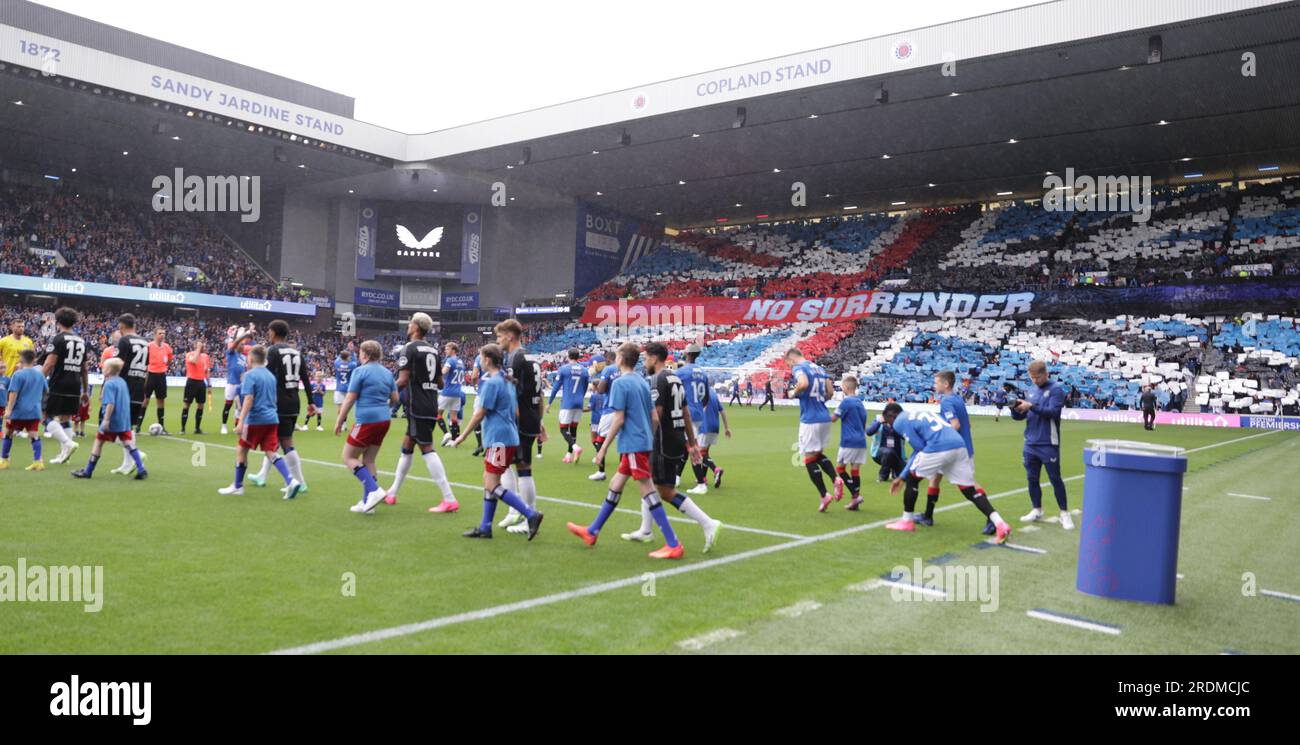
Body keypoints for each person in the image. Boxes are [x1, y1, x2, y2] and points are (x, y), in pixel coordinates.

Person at [566, 342, 684, 559]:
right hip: (642, 442)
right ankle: (592, 531)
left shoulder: (620, 384)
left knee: (647, 490)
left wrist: (602, 449)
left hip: (632, 444)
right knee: (616, 484)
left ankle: (673, 543)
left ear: (620, 359)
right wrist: (647, 437)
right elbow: (655, 418)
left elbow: (618, 420)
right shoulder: (642, 381)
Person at [618, 342, 721, 552]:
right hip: (676, 437)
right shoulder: (675, 378)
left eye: (646, 358)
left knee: (665, 491)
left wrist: (645, 438)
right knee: (648, 482)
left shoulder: (657, 379)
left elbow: (656, 414)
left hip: (662, 440)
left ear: (655, 358)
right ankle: (646, 529)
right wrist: (692, 444)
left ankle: (708, 523)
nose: (644, 361)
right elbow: (686, 413)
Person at [449, 343, 544, 540]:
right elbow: (516, 411)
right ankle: (486, 527)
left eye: (481, 357)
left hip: (498, 439)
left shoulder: (492, 383)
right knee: (490, 481)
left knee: (491, 483)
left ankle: (530, 514)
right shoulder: (507, 380)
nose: (480, 361)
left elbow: (479, 414)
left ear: (488, 359)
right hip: (508, 436)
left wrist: (462, 436)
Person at [881, 404, 1012, 543]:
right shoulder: (917, 412)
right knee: (969, 490)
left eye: (888, 422)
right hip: (958, 445)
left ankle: (907, 521)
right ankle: (1000, 523)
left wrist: (902, 476)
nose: (890, 425)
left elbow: (919, 448)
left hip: (939, 446)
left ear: (892, 416)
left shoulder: (900, 421)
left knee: (912, 478)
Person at [383, 313, 458, 513]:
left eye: (410, 322)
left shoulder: (409, 348)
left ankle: (449, 498)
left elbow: (402, 380)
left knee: (427, 448)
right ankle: (392, 493)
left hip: (417, 405)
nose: (408, 325)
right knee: (407, 446)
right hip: (430, 403)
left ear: (415, 326)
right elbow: (440, 382)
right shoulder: (433, 350)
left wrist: (384, 395)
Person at [216, 345, 304, 499]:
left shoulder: (250, 375)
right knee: (271, 452)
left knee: (242, 450)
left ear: (250, 359)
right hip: (272, 419)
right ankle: (291, 481)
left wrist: (240, 421)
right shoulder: (271, 376)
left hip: (256, 419)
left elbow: (249, 399)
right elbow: (275, 398)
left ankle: (237, 486)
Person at [247, 320, 314, 495]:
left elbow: (265, 375)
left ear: (274, 332)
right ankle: (262, 475)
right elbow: (306, 379)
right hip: (294, 401)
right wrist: (311, 402)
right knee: (273, 441)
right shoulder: (296, 352)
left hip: (279, 402)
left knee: (285, 442)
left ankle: (300, 481)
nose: (268, 334)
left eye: (269, 331)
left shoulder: (273, 351)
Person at [494, 319, 548, 535]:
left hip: (520, 418)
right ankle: (515, 511)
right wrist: (540, 419)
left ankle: (528, 516)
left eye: (499, 336)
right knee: (510, 465)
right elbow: (539, 393)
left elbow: (512, 395)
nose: (497, 341)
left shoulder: (515, 358)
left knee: (522, 468)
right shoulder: (531, 355)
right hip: (531, 416)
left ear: (509, 336)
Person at [923, 370, 994, 533]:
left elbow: (955, 425)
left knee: (968, 485)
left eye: (937, 382)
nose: (934, 385)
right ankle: (928, 516)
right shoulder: (957, 399)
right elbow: (966, 423)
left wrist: (939, 438)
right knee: (934, 478)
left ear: (945, 384)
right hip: (957, 447)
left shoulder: (947, 402)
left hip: (955, 450)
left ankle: (992, 518)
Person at [334, 340, 398, 514]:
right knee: (369, 459)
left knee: (348, 457)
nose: (358, 355)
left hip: (366, 420)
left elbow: (350, 398)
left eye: (360, 352)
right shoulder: (387, 373)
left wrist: (340, 420)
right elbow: (395, 399)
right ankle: (367, 503)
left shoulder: (360, 371)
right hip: (384, 420)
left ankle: (374, 490)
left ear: (366, 354)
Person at [1012, 360, 1073, 530]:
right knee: (1032, 478)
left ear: (1046, 374)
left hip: (1048, 442)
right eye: (1032, 378)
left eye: (1037, 378)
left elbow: (1053, 413)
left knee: (1055, 479)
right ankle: (1037, 509)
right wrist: (1015, 410)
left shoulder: (1056, 390)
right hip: (1030, 443)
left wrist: (1031, 406)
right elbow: (1022, 417)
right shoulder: (1031, 391)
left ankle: (1064, 514)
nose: (1035, 381)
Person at [70, 358, 147, 480]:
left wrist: (106, 420)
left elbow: (110, 403)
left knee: (99, 441)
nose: (102, 368)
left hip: (112, 420)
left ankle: (88, 471)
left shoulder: (109, 384)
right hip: (123, 420)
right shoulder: (122, 382)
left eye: (104, 367)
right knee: (127, 443)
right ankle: (141, 469)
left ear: (110, 370)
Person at [785, 348, 838, 512]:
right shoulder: (819, 368)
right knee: (817, 454)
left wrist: (793, 393)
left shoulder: (799, 368)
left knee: (808, 459)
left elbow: (804, 383)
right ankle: (836, 479)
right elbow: (830, 392)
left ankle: (824, 495)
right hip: (824, 417)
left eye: (789, 364)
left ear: (792, 360)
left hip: (810, 419)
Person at [41, 307, 88, 465]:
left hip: (59, 382)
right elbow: (84, 368)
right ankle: (64, 455)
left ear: (58, 321)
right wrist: (86, 390)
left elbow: (49, 363)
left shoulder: (58, 338)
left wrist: (37, 381)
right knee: (65, 417)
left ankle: (68, 444)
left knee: (44, 416)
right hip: (75, 384)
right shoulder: (81, 340)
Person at [108, 314, 150, 474]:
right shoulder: (146, 343)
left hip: (124, 388)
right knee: (128, 427)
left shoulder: (124, 341)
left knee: (113, 428)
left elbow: (116, 364)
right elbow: (146, 369)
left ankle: (136, 454)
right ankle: (128, 463)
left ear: (123, 326)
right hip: (139, 387)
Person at [1, 349, 48, 471]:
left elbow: (13, 393)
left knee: (8, 433)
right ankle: (38, 461)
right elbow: (46, 391)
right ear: (34, 360)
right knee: (34, 435)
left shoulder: (18, 374)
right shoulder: (40, 374)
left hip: (19, 411)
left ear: (21, 360)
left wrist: (9, 410)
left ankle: (4, 460)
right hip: (34, 411)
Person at [676, 343, 711, 494]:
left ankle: (701, 483)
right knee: (686, 445)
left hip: (686, 413)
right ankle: (676, 476)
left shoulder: (681, 372)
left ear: (688, 354)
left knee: (690, 446)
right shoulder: (703, 373)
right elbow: (706, 398)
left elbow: (675, 393)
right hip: (698, 413)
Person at [830, 375, 867, 511]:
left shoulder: (846, 402)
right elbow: (863, 424)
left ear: (846, 387)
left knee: (840, 469)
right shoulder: (860, 403)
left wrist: (820, 417)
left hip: (849, 441)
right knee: (855, 470)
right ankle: (854, 502)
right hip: (861, 442)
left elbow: (833, 418)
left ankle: (855, 495)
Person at [548, 348, 588, 464]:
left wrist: (549, 403)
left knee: (563, 429)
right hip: (579, 403)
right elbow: (585, 388)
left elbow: (555, 387)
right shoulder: (584, 370)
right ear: (578, 357)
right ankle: (569, 455)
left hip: (567, 403)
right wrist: (580, 397)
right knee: (573, 429)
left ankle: (575, 448)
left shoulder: (564, 369)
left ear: (568, 356)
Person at [588, 348, 620, 481]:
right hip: (624, 410)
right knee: (622, 440)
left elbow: (600, 390)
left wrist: (599, 379)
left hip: (609, 409)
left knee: (600, 438)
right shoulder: (624, 369)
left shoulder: (608, 369)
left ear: (607, 360)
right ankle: (622, 472)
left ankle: (601, 471)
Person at [695, 384, 730, 490]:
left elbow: (701, 410)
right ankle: (704, 478)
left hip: (705, 427)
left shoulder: (700, 394)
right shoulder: (714, 394)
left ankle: (716, 469)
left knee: (700, 453)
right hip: (715, 426)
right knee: (705, 452)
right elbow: (722, 411)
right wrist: (726, 428)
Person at [221, 326, 254, 435]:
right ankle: (224, 425)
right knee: (228, 404)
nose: (242, 345)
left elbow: (245, 371)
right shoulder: (231, 353)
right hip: (231, 383)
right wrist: (242, 335)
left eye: (243, 344)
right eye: (241, 344)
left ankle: (237, 426)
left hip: (241, 384)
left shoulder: (244, 357)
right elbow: (235, 343)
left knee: (239, 407)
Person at [142, 328, 173, 434]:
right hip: (150, 374)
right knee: (145, 399)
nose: (162, 335)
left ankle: (162, 427)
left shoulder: (167, 347)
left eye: (164, 333)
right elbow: (144, 360)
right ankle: (137, 426)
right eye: (160, 333)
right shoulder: (149, 346)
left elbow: (169, 360)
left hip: (161, 376)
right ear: (155, 334)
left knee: (161, 400)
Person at [180, 339, 211, 434]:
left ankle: (197, 428)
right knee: (187, 404)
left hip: (201, 382)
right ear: (195, 346)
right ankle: (183, 428)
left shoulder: (205, 356)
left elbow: (207, 371)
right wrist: (198, 349)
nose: (201, 347)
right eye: (199, 345)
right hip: (191, 382)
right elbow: (194, 361)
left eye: (201, 345)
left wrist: (209, 384)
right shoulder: (189, 354)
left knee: (201, 405)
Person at [866, 410, 906, 482]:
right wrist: (879, 422)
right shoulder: (878, 419)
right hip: (880, 453)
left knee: (906, 477)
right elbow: (869, 432)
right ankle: (883, 476)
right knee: (888, 452)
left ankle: (894, 471)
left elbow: (905, 437)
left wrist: (897, 426)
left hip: (897, 456)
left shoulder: (900, 423)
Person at [437, 342, 465, 447]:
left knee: (438, 414)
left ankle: (446, 433)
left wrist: (436, 371)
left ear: (453, 350)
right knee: (454, 417)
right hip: (457, 392)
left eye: (447, 349)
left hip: (447, 392)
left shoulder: (450, 360)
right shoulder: (461, 362)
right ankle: (454, 441)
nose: (445, 351)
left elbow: (443, 372)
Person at [0, 317, 35, 383]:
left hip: (23, 377)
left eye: (22, 326)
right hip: (6, 376)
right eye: (18, 326)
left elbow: (32, 358)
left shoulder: (28, 341)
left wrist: (22, 364)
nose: (21, 328)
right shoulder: (3, 341)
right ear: (12, 327)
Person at [332, 349, 358, 426]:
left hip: (339, 388)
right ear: (347, 357)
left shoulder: (337, 364)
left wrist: (343, 352)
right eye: (349, 356)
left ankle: (341, 424)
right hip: (349, 389)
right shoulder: (352, 365)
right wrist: (352, 351)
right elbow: (355, 360)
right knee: (347, 407)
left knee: (340, 408)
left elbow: (338, 358)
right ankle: (345, 424)